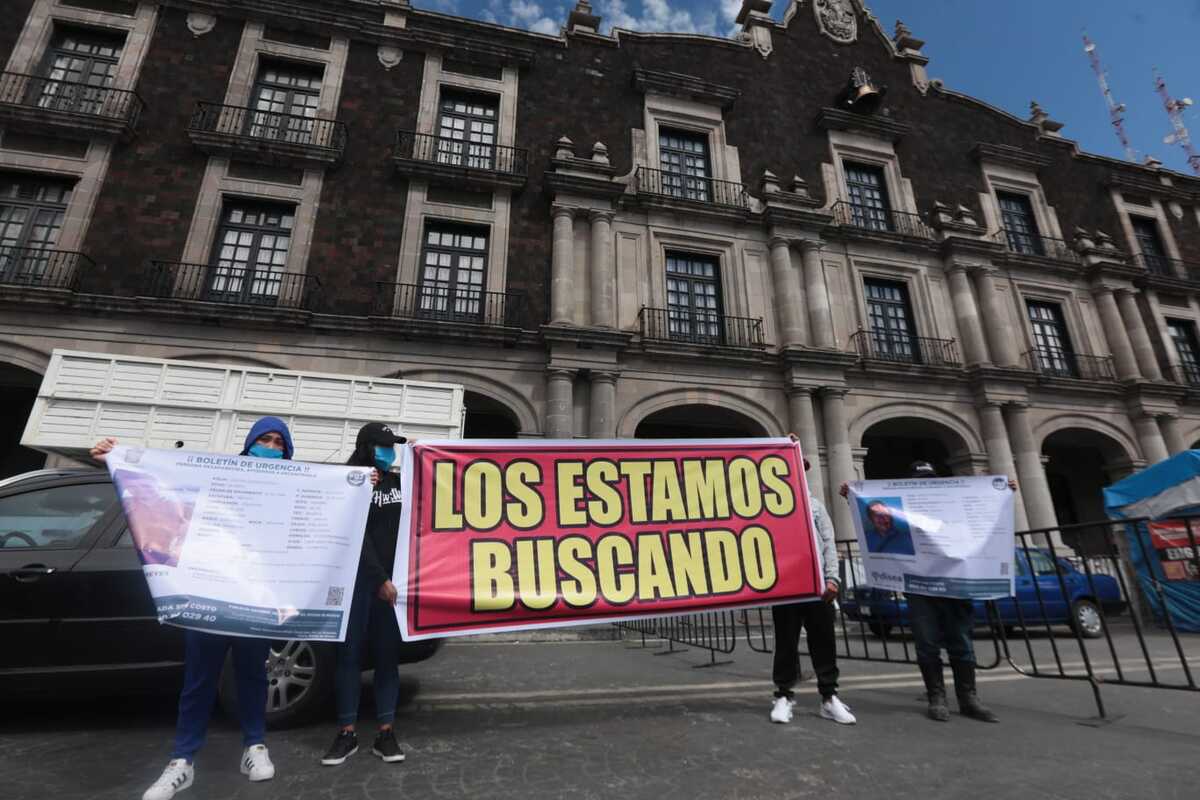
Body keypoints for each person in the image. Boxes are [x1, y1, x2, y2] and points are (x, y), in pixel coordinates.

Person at [92, 417, 297, 800]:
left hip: (257, 597)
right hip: (211, 593)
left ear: (287, 451)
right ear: (249, 442)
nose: (270, 447)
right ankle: (183, 760)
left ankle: (254, 746)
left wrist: (362, 485)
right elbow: (164, 488)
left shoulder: (292, 485)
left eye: (278, 443)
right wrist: (114, 459)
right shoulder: (216, 476)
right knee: (200, 679)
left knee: (254, 676)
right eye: (263, 440)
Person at [840, 460, 1016, 724]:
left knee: (962, 643)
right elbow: (877, 513)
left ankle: (969, 699)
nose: (926, 483)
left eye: (930, 478)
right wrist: (851, 497)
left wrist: (1001, 493)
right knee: (927, 645)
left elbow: (984, 517)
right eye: (920, 479)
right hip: (920, 588)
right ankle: (937, 698)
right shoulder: (905, 517)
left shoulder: (952, 510)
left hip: (956, 584)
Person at [321, 422, 407, 766]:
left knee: (388, 657)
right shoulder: (346, 482)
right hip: (357, 585)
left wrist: (424, 450)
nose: (391, 453)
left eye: (394, 447)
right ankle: (346, 733)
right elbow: (351, 533)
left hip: (391, 589)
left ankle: (386, 732)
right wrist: (377, 577)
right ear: (368, 448)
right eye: (385, 446)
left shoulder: (398, 482)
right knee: (349, 658)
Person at [770, 437, 856, 726]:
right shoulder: (766, 505)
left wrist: (832, 577)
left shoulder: (815, 505)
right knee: (785, 642)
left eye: (799, 466)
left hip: (816, 585)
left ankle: (829, 698)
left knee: (823, 642)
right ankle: (783, 695)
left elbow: (829, 542)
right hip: (784, 586)